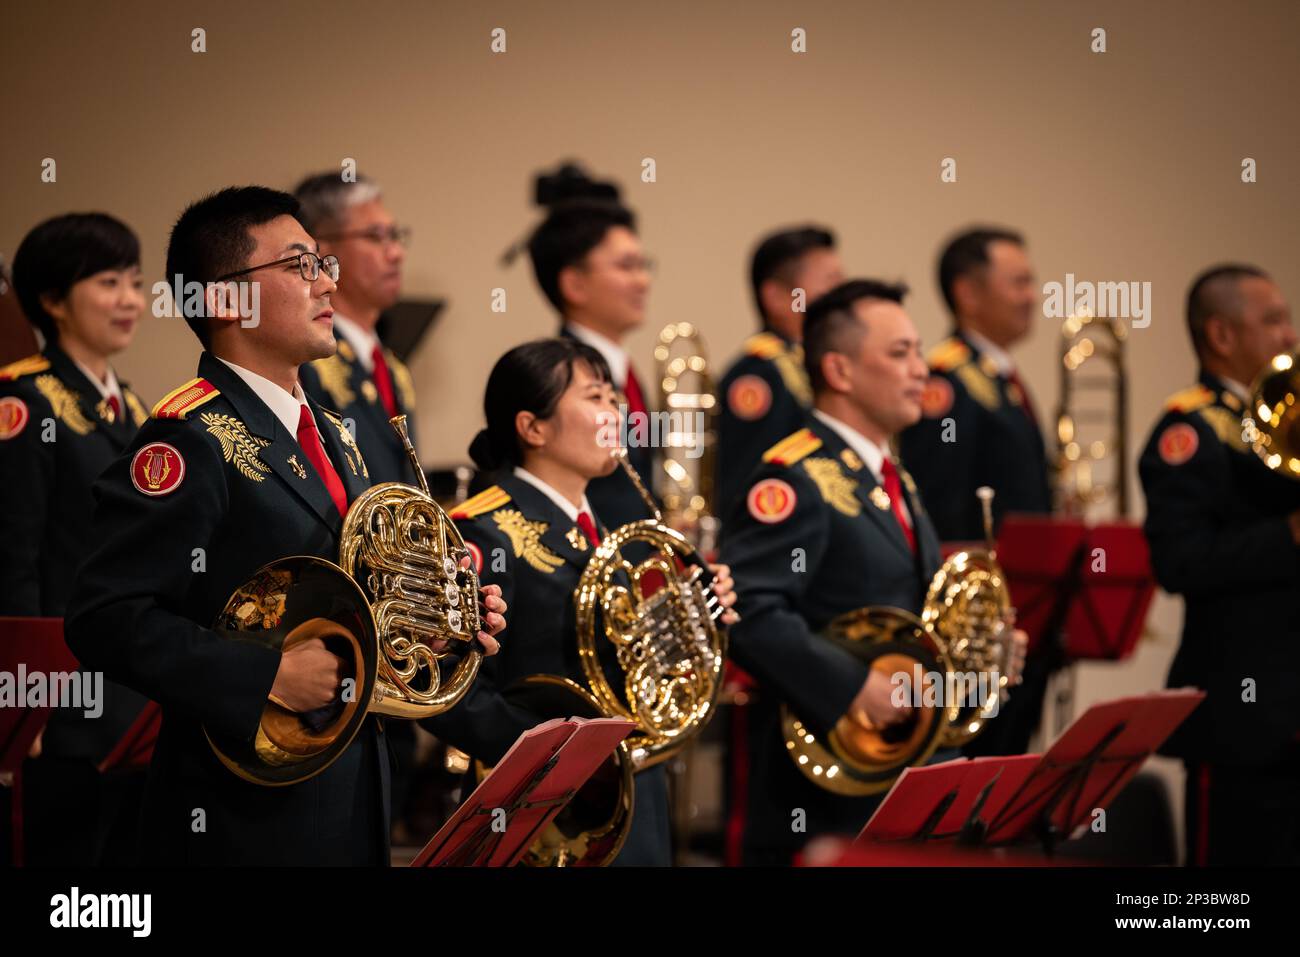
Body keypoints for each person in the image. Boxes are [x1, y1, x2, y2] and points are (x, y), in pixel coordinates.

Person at [64, 186, 504, 865]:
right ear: (224, 298)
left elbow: (359, 599)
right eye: (301, 265)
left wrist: (444, 615)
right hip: (241, 809)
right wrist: (263, 674)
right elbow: (105, 614)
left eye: (324, 263)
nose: (327, 282)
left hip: (354, 782)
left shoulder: (333, 433)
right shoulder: (189, 439)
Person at [721, 279, 1026, 865]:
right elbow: (751, 611)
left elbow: (917, 618)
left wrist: (982, 657)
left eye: (919, 350)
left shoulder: (894, 478)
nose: (922, 370)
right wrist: (853, 686)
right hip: (828, 786)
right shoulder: (792, 477)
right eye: (900, 354)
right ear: (839, 370)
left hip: (902, 773)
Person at [424, 336, 738, 865]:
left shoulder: (612, 533)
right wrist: (561, 758)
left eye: (614, 398)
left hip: (636, 794)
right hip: (546, 813)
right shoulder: (480, 531)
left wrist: (695, 615)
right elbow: (443, 684)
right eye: (594, 397)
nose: (615, 411)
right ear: (534, 427)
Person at [0, 212, 150, 865]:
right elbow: (12, 556)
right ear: (54, 301)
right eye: (108, 281)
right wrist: (25, 696)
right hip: (60, 695)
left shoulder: (137, 407)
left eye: (137, 282)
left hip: (133, 689)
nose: (130, 300)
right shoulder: (22, 401)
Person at [1139, 263, 1300, 866]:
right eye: (1274, 320)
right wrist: (1287, 535)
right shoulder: (1190, 430)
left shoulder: (1285, 421)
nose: (1290, 335)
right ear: (1222, 336)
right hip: (1240, 718)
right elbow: (1180, 563)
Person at [899, 226, 1052, 757]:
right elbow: (938, 508)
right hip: (980, 628)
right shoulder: (949, 382)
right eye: (1019, 282)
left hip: (1020, 619)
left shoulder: (997, 377)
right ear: (968, 292)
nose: (1032, 295)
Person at [527, 199, 659, 530]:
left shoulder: (622, 369)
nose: (643, 281)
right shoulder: (557, 381)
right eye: (626, 266)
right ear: (575, 284)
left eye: (644, 265)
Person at [295, 172, 420, 484]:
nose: (396, 253)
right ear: (321, 251)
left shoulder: (394, 369)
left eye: (395, 236)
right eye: (376, 237)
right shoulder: (307, 360)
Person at [715, 225, 843, 509]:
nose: (843, 300)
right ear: (777, 297)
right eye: (830, 284)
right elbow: (747, 487)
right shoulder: (759, 376)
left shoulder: (810, 363)